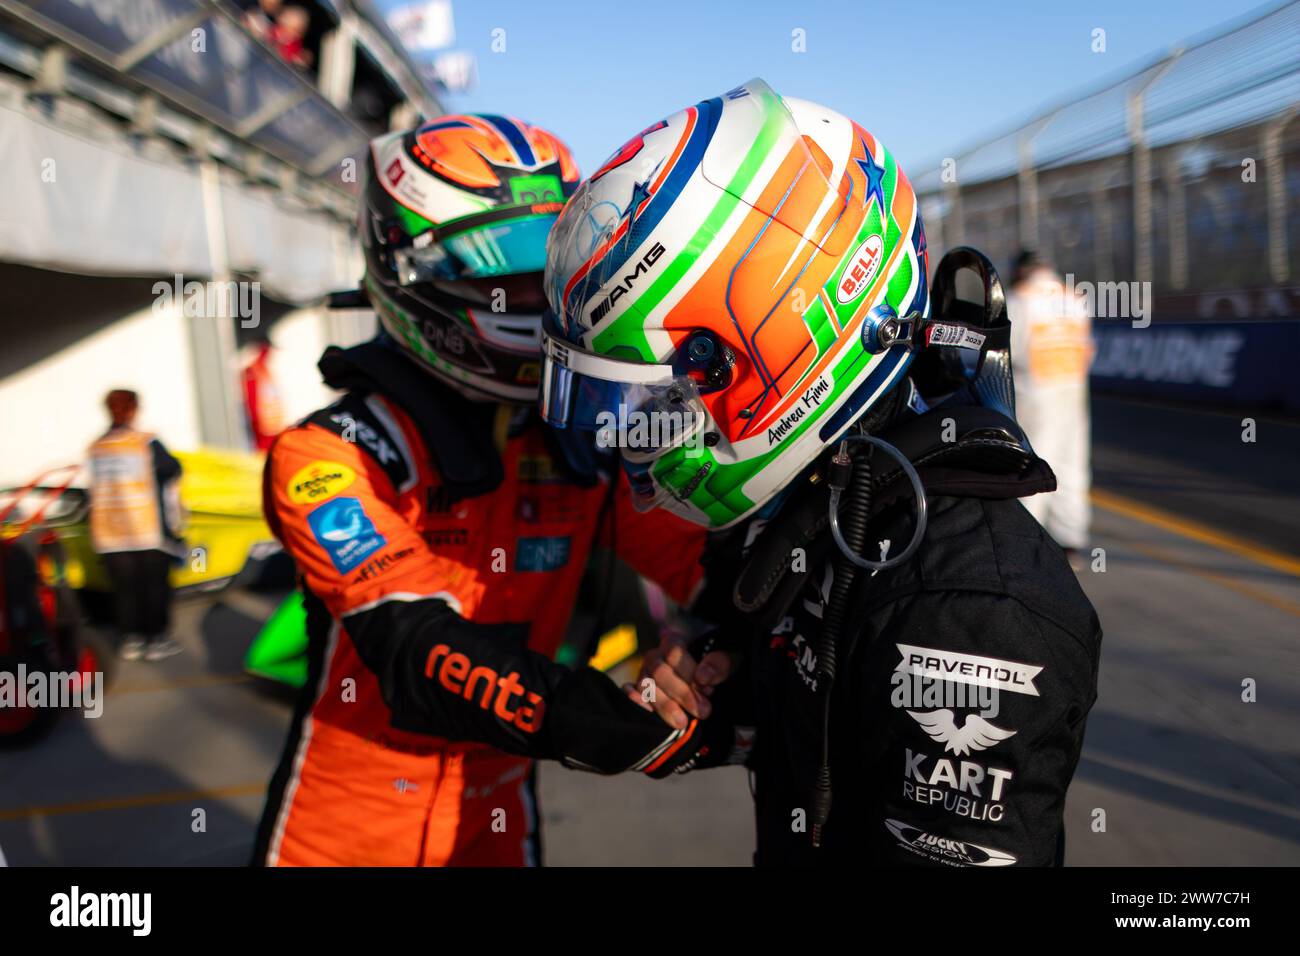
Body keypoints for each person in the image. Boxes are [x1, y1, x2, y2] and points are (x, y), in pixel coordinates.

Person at [538, 79, 1102, 866]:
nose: (638, 431)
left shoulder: (970, 609)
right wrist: (728, 683)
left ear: (777, 350)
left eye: (656, 394)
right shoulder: (830, 503)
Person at [252, 115, 720, 868]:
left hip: (498, 825)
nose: (539, 295)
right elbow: (414, 649)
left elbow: (712, 565)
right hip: (339, 836)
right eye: (507, 270)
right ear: (404, 268)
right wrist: (606, 721)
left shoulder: (582, 442)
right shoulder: (327, 454)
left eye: (556, 263)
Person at [1007, 250, 1093, 562]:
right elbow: (1087, 349)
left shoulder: (1021, 298)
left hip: (1035, 390)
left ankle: (1028, 542)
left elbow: (1010, 350)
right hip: (1073, 388)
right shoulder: (1075, 297)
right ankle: (1071, 540)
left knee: (1034, 461)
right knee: (1072, 462)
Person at [87, 389, 184, 662]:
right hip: (145, 527)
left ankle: (131, 639)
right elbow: (172, 470)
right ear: (134, 410)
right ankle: (157, 639)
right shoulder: (145, 442)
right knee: (154, 587)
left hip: (110, 530)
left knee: (124, 589)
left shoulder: (97, 446)